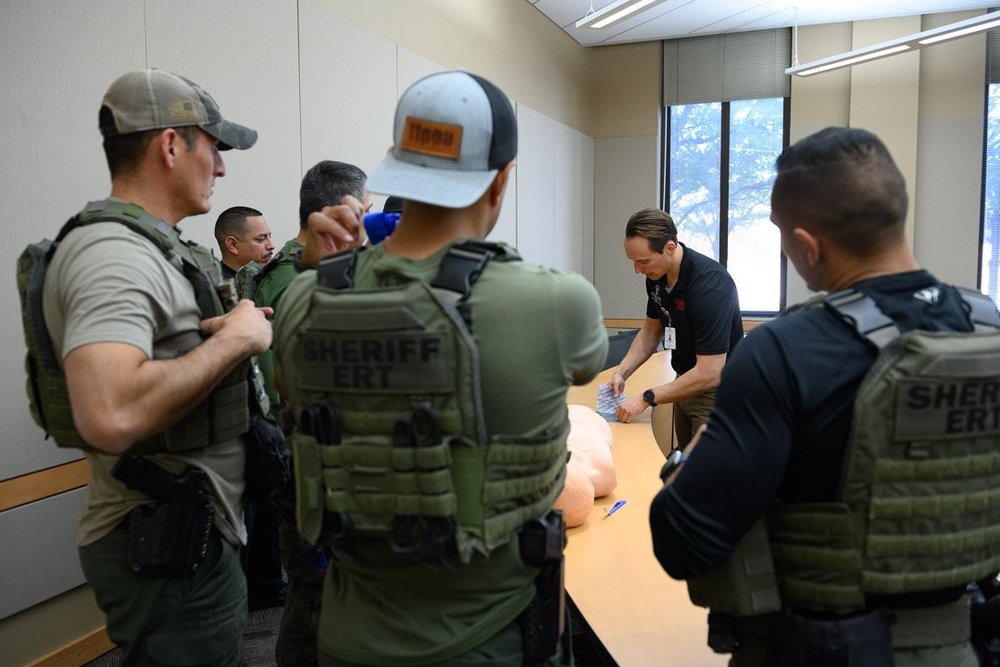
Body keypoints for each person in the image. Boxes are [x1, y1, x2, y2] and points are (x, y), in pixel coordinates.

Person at [272, 70, 608, 666]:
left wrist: (334, 272)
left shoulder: (304, 299)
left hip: (345, 640)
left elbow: (293, 392)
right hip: (493, 640)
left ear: (397, 165)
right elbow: (586, 365)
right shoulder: (559, 301)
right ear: (501, 178)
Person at [649, 127, 1000, 666]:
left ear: (809, 245)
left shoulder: (783, 350)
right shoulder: (987, 330)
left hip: (814, 650)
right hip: (962, 648)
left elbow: (684, 542)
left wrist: (689, 459)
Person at [40, 69, 270, 665]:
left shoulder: (150, 248)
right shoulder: (113, 254)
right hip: (169, 538)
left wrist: (219, 330)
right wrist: (236, 341)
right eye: (214, 148)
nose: (221, 168)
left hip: (188, 527)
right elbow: (111, 412)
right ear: (170, 145)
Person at [254, 159, 369, 667]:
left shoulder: (308, 271)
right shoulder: (294, 281)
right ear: (341, 210)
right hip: (306, 459)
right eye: (365, 210)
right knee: (315, 593)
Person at [612, 208, 743, 457]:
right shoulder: (657, 277)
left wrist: (647, 397)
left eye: (643, 261)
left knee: (704, 470)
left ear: (670, 248)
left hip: (714, 392)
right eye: (633, 261)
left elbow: (710, 373)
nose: (637, 270)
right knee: (682, 462)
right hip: (683, 382)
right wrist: (622, 372)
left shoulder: (711, 286)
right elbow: (651, 331)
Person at [214, 205, 275, 278]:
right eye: (261, 239)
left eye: (269, 236)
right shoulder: (219, 284)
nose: (271, 246)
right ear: (233, 245)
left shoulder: (264, 280)